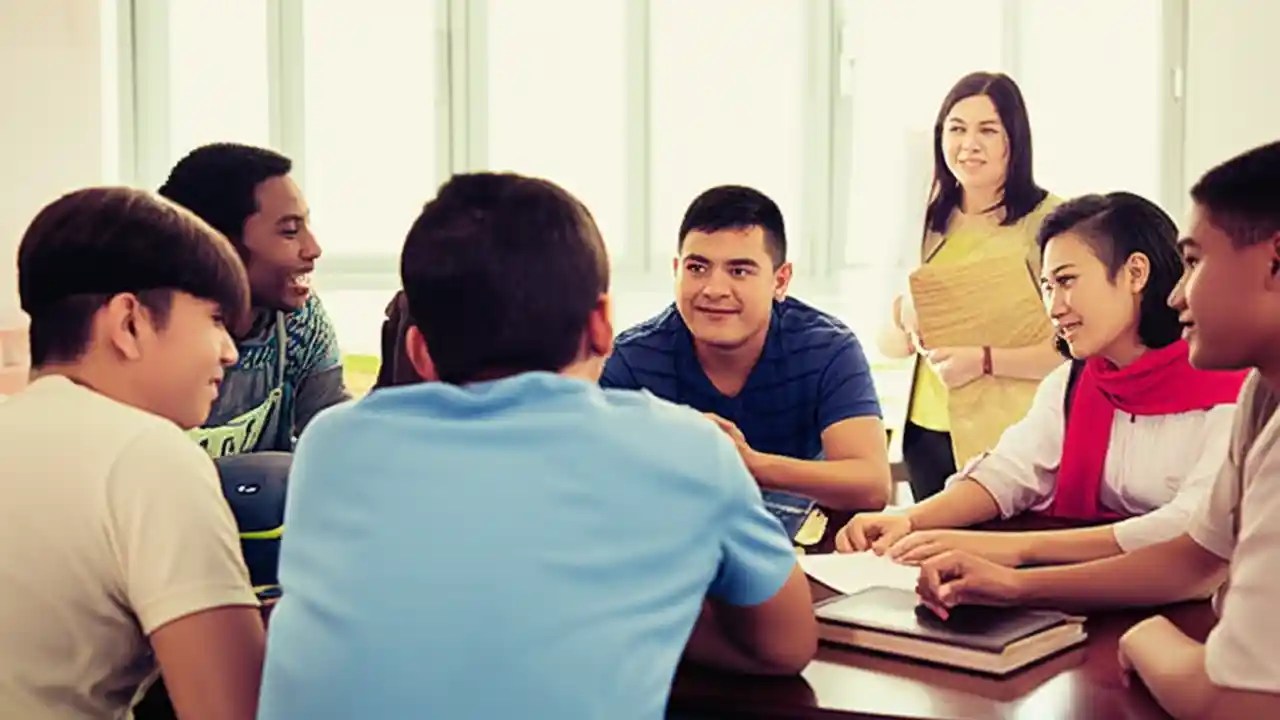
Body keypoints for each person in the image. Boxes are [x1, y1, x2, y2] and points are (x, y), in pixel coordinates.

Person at [257, 173, 817, 719]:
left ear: (420, 353)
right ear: (603, 325)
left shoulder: (332, 447)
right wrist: (645, 603)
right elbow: (783, 647)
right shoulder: (687, 450)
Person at [913, 141, 1280, 719]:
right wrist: (1002, 576)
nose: (1179, 292)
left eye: (1194, 263)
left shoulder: (1234, 392)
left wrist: (1142, 636)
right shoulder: (1264, 393)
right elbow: (1196, 557)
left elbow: (1232, 702)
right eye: (1047, 285)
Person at [836, 192, 1246, 567]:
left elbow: (1188, 524)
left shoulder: (1232, 386)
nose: (1054, 307)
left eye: (1067, 281)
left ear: (1135, 273)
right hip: (1087, 584)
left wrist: (1014, 550)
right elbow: (1011, 472)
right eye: (1047, 287)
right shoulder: (1074, 380)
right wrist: (907, 519)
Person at [0, 187, 264, 719]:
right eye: (215, 319)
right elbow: (234, 712)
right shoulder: (149, 456)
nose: (230, 352)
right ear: (130, 323)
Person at [601, 185, 891, 513]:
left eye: (739, 271)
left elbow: (872, 485)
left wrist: (751, 465)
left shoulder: (827, 348)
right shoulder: (631, 358)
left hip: (802, 545)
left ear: (780, 281)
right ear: (676, 270)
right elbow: (590, 481)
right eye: (697, 268)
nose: (714, 289)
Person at [879, 71, 1065, 501]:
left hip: (1011, 435)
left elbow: (1073, 351)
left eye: (987, 130)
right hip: (926, 430)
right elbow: (889, 342)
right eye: (956, 129)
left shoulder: (1051, 222)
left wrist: (983, 361)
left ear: (1014, 139)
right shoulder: (925, 221)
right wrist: (901, 315)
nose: (969, 144)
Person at [158, 142, 349, 459]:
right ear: (218, 243)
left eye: (306, 226)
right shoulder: (152, 333)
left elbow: (336, 443)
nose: (313, 248)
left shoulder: (300, 321)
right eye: (290, 231)